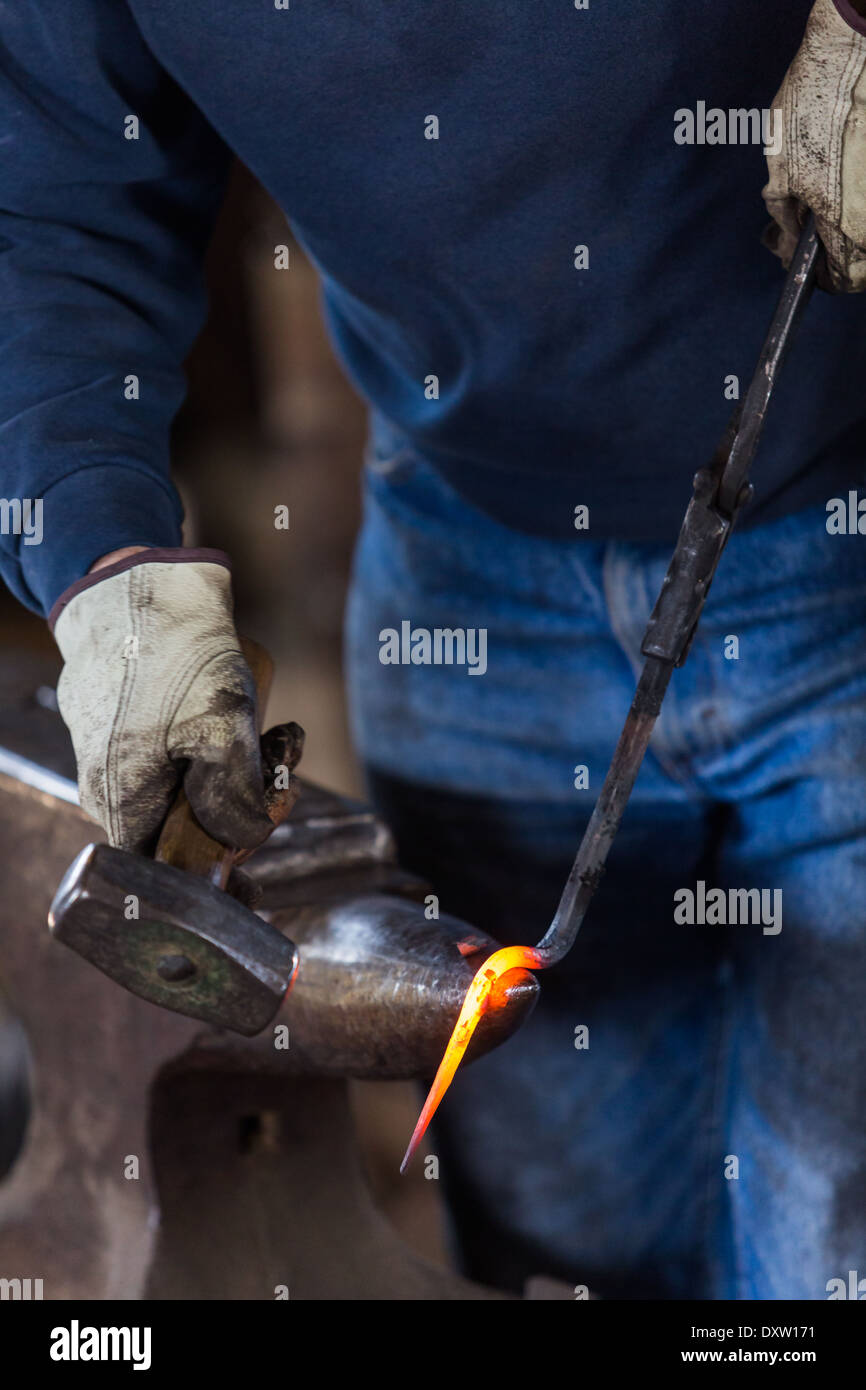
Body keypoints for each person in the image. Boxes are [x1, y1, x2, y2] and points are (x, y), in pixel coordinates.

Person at [1, 0, 865, 1300]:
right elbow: (46, 210)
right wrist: (100, 563)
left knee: (823, 1257)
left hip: (839, 514)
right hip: (468, 567)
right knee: (564, 1258)